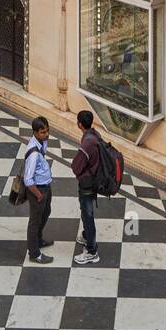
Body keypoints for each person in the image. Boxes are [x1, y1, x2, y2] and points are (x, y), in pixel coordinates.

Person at [22, 116, 54, 264]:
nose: (46, 134)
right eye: (42, 132)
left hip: (45, 186)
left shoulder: (42, 142)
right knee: (34, 221)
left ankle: (38, 240)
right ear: (35, 132)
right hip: (38, 190)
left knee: (46, 212)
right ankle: (34, 253)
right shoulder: (33, 153)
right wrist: (38, 195)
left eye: (47, 131)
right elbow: (28, 180)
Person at [71, 109, 101, 265]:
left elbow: (76, 166)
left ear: (79, 124)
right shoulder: (95, 135)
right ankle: (85, 235)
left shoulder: (87, 143)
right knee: (87, 211)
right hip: (95, 180)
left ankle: (91, 251)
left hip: (88, 184)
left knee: (87, 214)